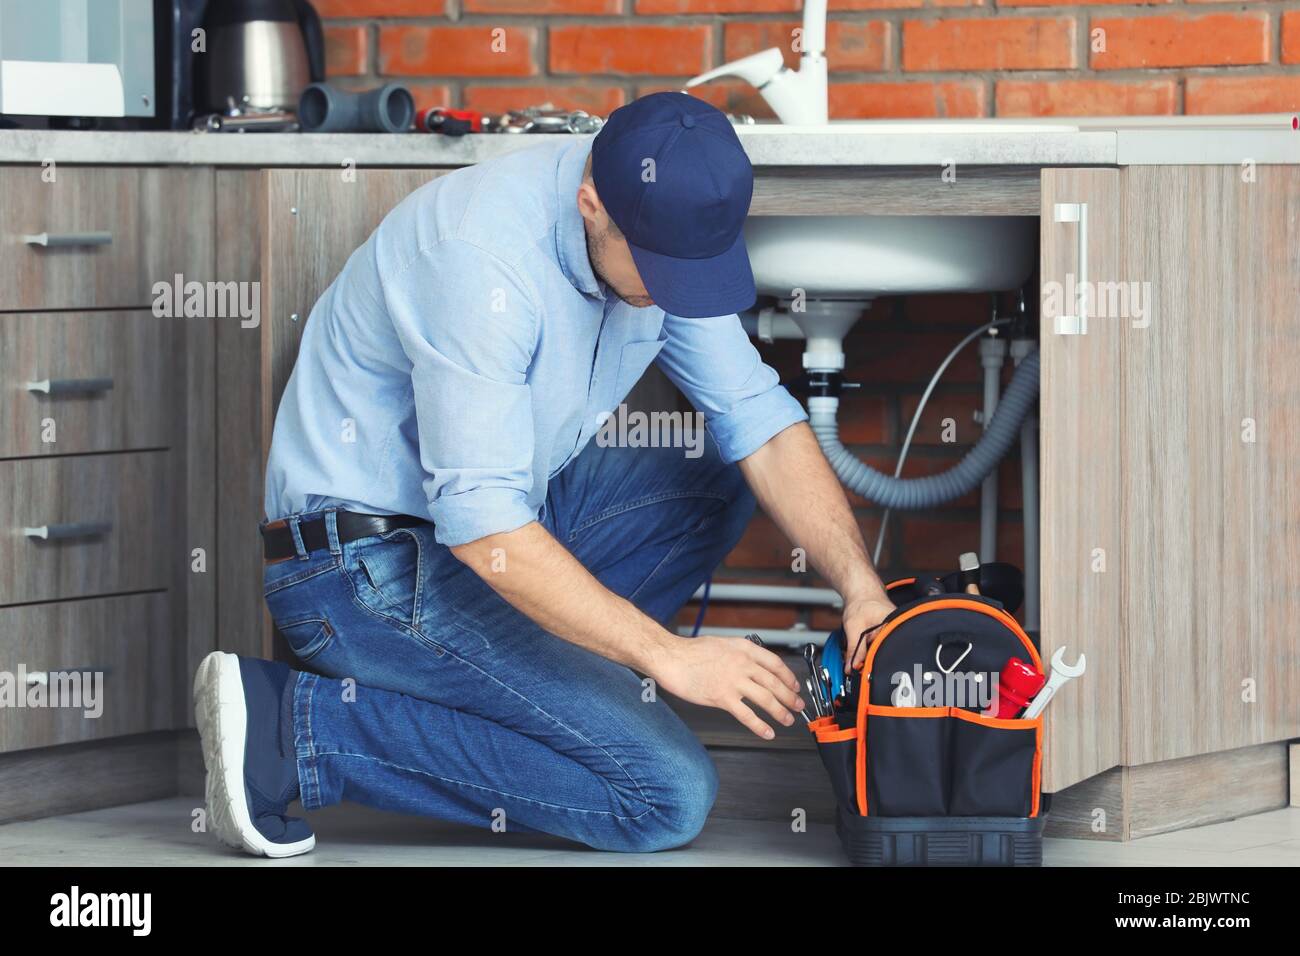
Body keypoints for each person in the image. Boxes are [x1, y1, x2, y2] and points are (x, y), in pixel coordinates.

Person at [193, 92, 895, 858]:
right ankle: (294, 726)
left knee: (717, 475)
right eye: (661, 272)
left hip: (492, 533)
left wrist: (861, 590)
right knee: (666, 796)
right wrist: (665, 654)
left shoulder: (658, 229)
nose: (675, 295)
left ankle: (559, 696)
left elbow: (758, 419)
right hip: (360, 569)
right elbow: (484, 526)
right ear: (592, 205)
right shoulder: (481, 259)